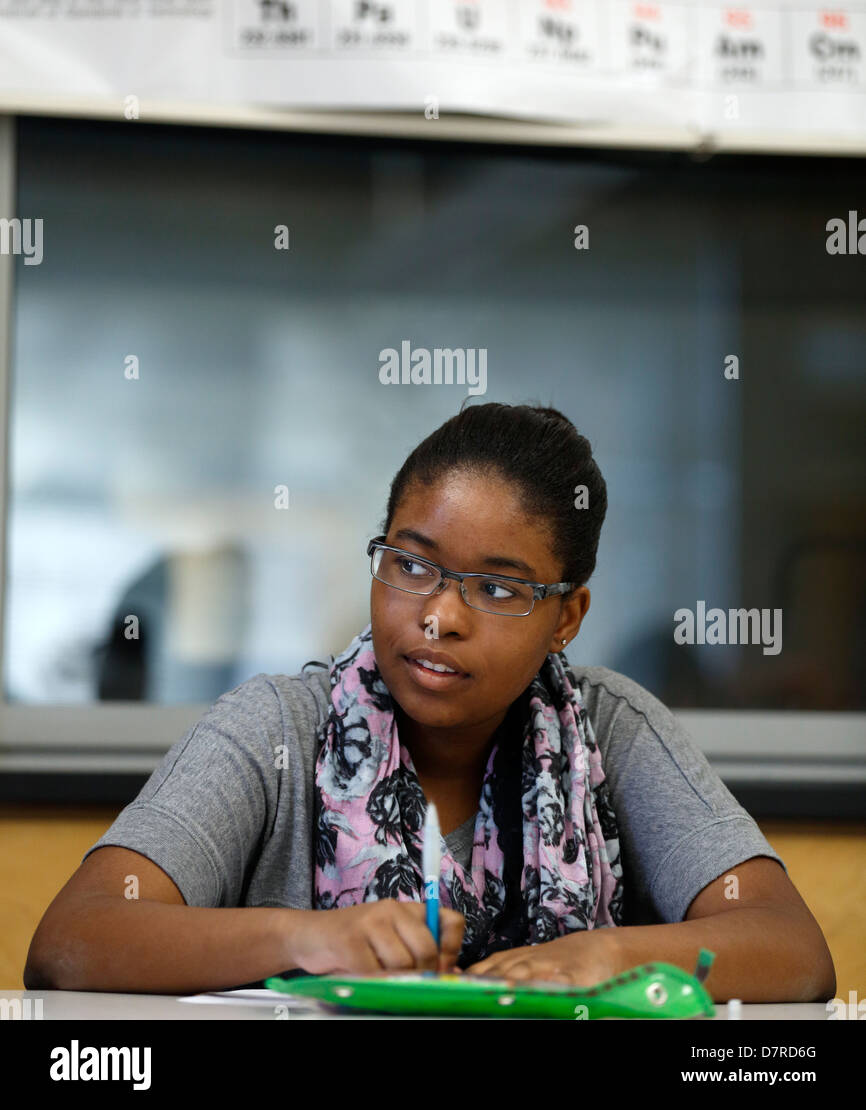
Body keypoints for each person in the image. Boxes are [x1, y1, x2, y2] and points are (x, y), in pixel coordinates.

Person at [25, 403, 835, 1001]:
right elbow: (74, 942)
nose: (439, 615)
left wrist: (607, 956)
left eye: (495, 587)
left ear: (566, 617)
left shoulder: (612, 732)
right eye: (411, 566)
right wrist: (312, 938)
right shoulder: (276, 728)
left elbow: (791, 948)